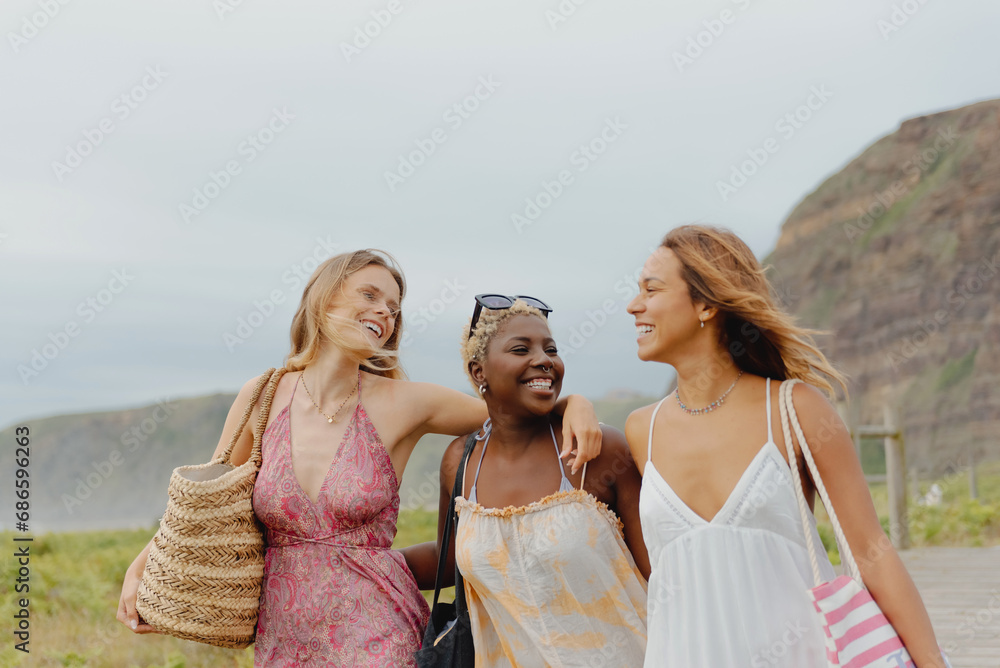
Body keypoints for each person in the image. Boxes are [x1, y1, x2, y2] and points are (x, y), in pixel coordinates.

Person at [116, 250, 603, 667]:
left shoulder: (407, 402)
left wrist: (574, 405)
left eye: (393, 307)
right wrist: (142, 569)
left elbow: (512, 409)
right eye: (369, 295)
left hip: (378, 632)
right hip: (282, 639)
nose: (384, 312)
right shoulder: (262, 395)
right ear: (324, 298)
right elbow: (206, 506)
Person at [624, 225, 947, 667]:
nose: (633, 305)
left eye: (651, 289)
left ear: (705, 305)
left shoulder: (794, 409)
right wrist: (571, 406)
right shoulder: (642, 430)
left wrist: (933, 664)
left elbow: (871, 552)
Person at [404, 296, 649, 667]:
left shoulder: (595, 451)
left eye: (551, 349)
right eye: (521, 349)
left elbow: (658, 575)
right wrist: (352, 560)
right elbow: (447, 558)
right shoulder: (461, 462)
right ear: (478, 372)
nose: (544, 359)